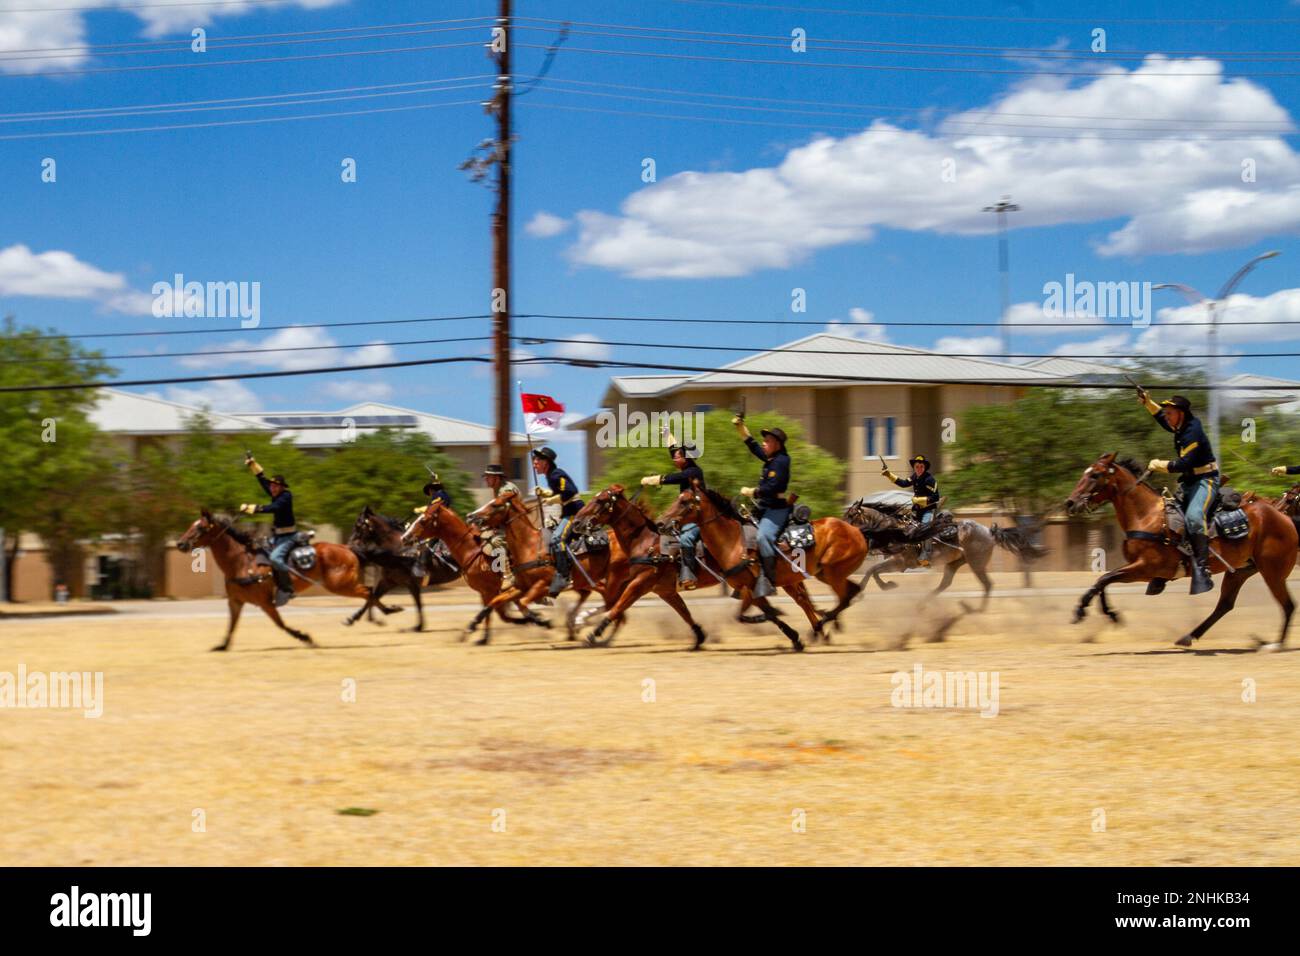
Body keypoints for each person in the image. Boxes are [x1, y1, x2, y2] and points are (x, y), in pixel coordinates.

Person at [1138, 388, 1217, 595]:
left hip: (1206, 480)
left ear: (1181, 413)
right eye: (1166, 412)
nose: (1166, 415)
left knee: (1193, 517)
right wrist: (1148, 402)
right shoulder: (1180, 426)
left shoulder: (1193, 431)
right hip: (1190, 481)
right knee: (1170, 518)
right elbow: (1163, 421)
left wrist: (1158, 464)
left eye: (1170, 412)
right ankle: (1165, 571)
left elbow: (1184, 463)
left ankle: (1202, 567)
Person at [732, 415, 790, 598]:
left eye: (768, 441)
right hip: (763, 507)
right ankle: (746, 575)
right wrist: (741, 428)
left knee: (764, 537)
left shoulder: (782, 461)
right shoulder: (771, 459)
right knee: (741, 534)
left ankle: (769, 580)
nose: (764, 444)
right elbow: (754, 446)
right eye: (764, 441)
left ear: (777, 444)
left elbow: (774, 486)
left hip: (777, 508)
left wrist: (753, 492)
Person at [641, 437, 705, 588]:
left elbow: (676, 477)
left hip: (697, 518)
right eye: (675, 455)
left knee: (686, 538)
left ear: (687, 457)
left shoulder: (694, 471)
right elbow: (674, 453)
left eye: (679, 455)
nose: (675, 458)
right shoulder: (687, 470)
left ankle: (690, 575)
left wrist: (655, 480)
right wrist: (667, 437)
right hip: (685, 516)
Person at [239, 455, 297, 606]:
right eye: (271, 486)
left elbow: (274, 508)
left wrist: (253, 508)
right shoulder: (275, 493)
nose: (272, 487)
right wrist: (253, 465)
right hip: (277, 536)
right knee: (260, 552)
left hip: (288, 536)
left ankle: (287, 589)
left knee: (276, 559)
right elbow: (262, 480)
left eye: (275, 486)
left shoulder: (286, 496)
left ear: (282, 487)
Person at [531, 446, 583, 596]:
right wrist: (545, 493)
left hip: (574, 512)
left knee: (557, 538)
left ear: (546, 462)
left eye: (537, 460)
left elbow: (570, 491)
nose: (534, 463)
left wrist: (551, 499)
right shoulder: (551, 476)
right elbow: (558, 492)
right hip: (567, 512)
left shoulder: (556, 474)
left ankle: (563, 575)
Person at [883, 454, 941, 567]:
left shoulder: (930, 479)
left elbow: (936, 497)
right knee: (904, 526)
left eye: (921, 466)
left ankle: (927, 555)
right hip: (917, 511)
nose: (919, 468)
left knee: (925, 529)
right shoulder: (915, 477)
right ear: (914, 467)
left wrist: (919, 500)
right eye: (917, 466)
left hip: (928, 511)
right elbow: (904, 483)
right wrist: (889, 475)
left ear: (924, 467)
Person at [479, 464, 520, 590]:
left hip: (516, 526)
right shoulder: (497, 489)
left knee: (497, 541)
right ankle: (496, 571)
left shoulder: (507, 488)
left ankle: (508, 575)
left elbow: (501, 507)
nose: (486, 479)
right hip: (505, 525)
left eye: (488, 477)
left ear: (497, 478)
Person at [410, 473, 453, 581]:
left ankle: (422, 569)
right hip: (439, 523)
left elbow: (433, 508)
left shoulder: (439, 495)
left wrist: (421, 509)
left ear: (432, 489)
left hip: (440, 525)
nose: (429, 493)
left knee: (427, 546)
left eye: (430, 490)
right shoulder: (441, 495)